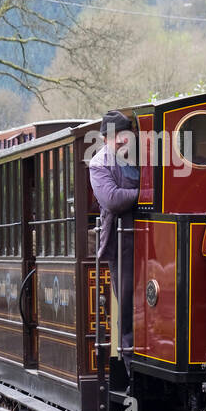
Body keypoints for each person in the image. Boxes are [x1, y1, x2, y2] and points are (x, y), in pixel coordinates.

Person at [88, 110, 139, 363]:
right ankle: (129, 361)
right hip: (123, 243)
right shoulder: (99, 164)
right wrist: (147, 195)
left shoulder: (144, 158)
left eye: (123, 134)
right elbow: (112, 199)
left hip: (150, 240)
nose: (120, 139)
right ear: (105, 138)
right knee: (127, 303)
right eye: (113, 135)